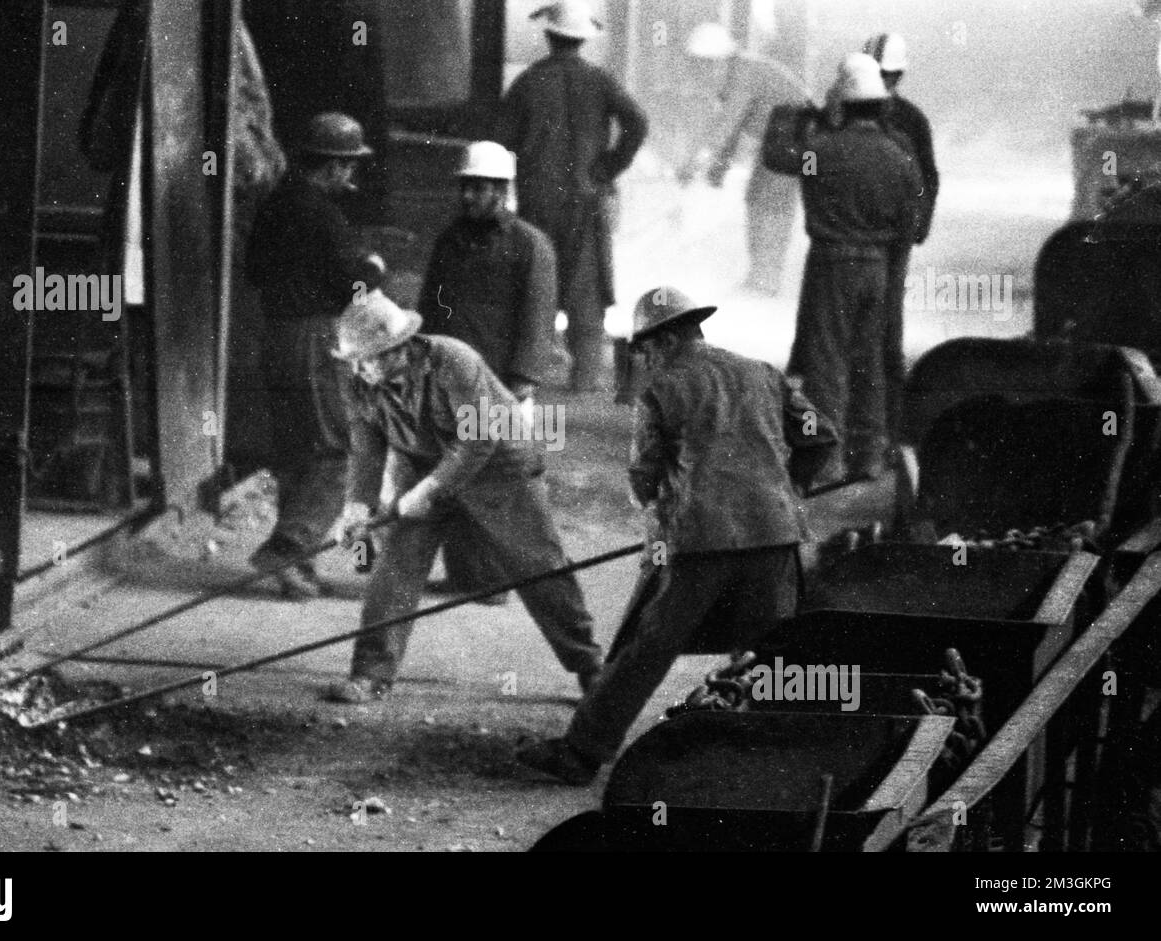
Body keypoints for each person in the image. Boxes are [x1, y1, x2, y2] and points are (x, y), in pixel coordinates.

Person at [516, 287, 838, 784]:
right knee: (769, 652)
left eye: (643, 346)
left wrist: (657, 512)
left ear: (664, 338)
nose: (642, 357)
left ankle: (581, 753)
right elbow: (821, 435)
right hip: (776, 536)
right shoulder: (762, 372)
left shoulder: (662, 388)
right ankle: (777, 763)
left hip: (697, 543)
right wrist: (787, 489)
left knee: (646, 647)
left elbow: (643, 475)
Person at [323, 290, 604, 704]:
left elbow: (476, 442)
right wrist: (357, 507)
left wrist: (428, 491)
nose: (360, 368)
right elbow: (367, 446)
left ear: (400, 348)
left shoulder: (454, 361)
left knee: (537, 566)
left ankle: (591, 669)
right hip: (421, 463)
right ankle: (370, 674)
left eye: (371, 357)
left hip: (498, 467)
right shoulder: (359, 378)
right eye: (354, 360)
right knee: (395, 565)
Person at [763, 54, 923, 485]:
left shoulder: (821, 153)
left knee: (825, 364)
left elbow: (778, 158)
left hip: (833, 265)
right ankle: (867, 457)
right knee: (868, 361)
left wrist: (791, 118)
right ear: (880, 104)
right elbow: (910, 218)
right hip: (878, 267)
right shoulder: (899, 155)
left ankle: (826, 459)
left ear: (844, 104)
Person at [244, 112, 385, 599]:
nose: (351, 177)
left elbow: (254, 271)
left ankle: (296, 565)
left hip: (275, 338)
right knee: (336, 450)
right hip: (314, 339)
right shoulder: (322, 213)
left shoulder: (274, 205)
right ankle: (284, 549)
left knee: (296, 452)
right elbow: (354, 285)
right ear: (330, 166)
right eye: (348, 166)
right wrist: (373, 266)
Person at [416, 140, 559, 604]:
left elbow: (538, 319)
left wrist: (521, 383)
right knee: (454, 474)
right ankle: (467, 575)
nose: (469, 196)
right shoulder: (450, 240)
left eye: (479, 188)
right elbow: (429, 307)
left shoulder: (530, 245)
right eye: (465, 187)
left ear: (502, 191)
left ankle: (495, 580)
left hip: (500, 382)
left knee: (496, 482)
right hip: (449, 379)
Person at [496, 0, 648, 392]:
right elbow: (638, 122)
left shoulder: (528, 82)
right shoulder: (601, 80)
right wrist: (610, 166)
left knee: (537, 287)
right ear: (583, 40)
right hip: (586, 201)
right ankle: (582, 382)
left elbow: (500, 141)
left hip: (538, 203)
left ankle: (531, 380)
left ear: (549, 36)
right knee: (586, 295)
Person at [678, 23, 812, 297]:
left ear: (722, 59)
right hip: (780, 137)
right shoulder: (732, 75)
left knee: (770, 203)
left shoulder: (743, 75)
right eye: (697, 64)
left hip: (797, 136)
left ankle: (766, 280)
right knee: (756, 199)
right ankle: (759, 276)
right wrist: (713, 168)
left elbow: (728, 125)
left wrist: (698, 165)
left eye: (706, 64)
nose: (701, 71)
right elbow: (725, 126)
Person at [863, 32, 939, 448]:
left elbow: (928, 178)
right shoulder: (845, 113)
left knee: (886, 337)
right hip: (864, 238)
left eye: (887, 75)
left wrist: (917, 228)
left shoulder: (910, 119)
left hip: (890, 242)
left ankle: (890, 430)